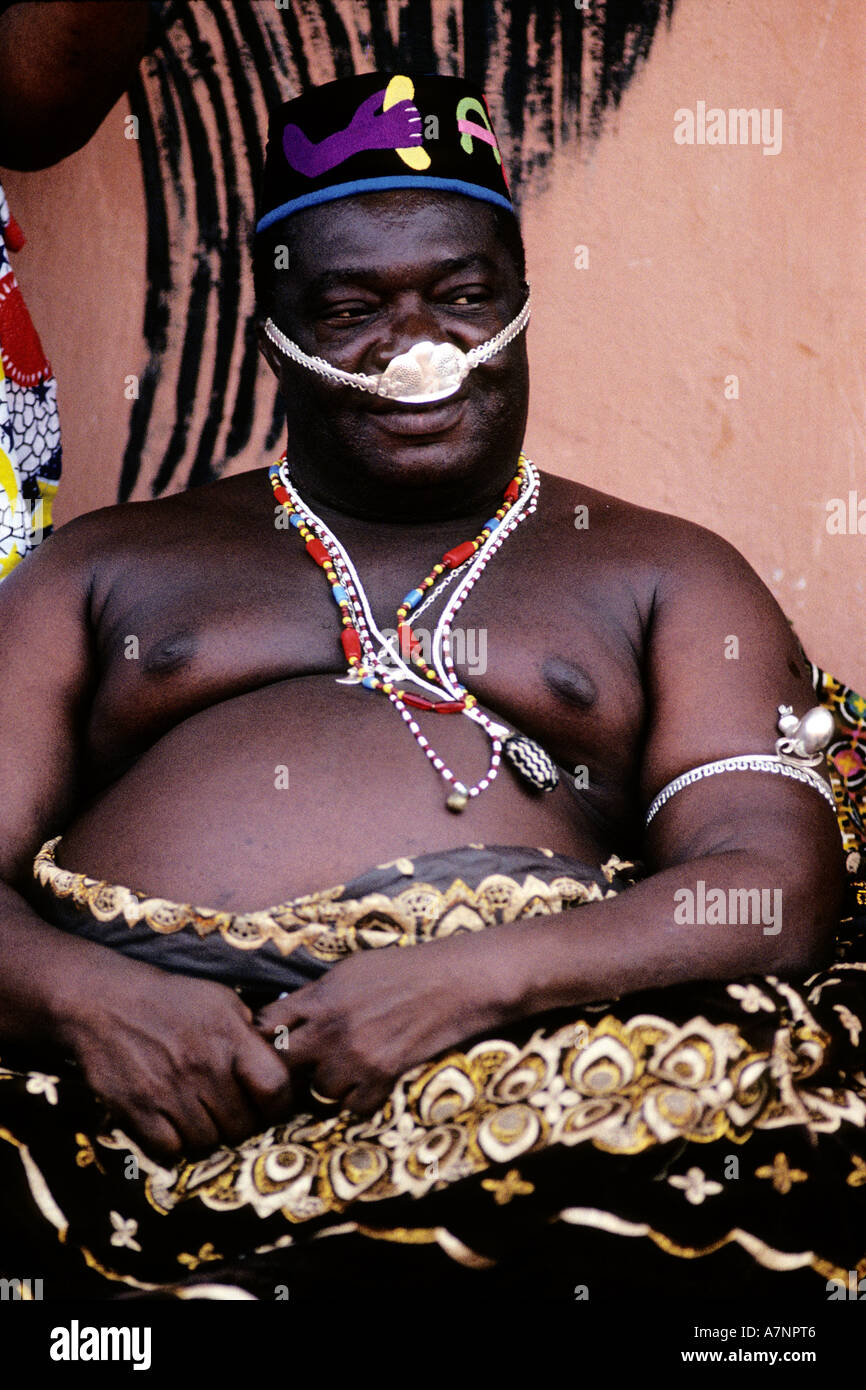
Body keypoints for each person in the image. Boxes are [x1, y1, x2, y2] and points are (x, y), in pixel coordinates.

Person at [0, 72, 862, 1301]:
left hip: (533, 1064)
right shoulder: (106, 566)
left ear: (518, 305)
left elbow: (770, 888)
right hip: (141, 1084)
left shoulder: (659, 571)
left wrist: (471, 980)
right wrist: (98, 1006)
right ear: (273, 333)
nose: (418, 350)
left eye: (463, 297)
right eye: (351, 308)